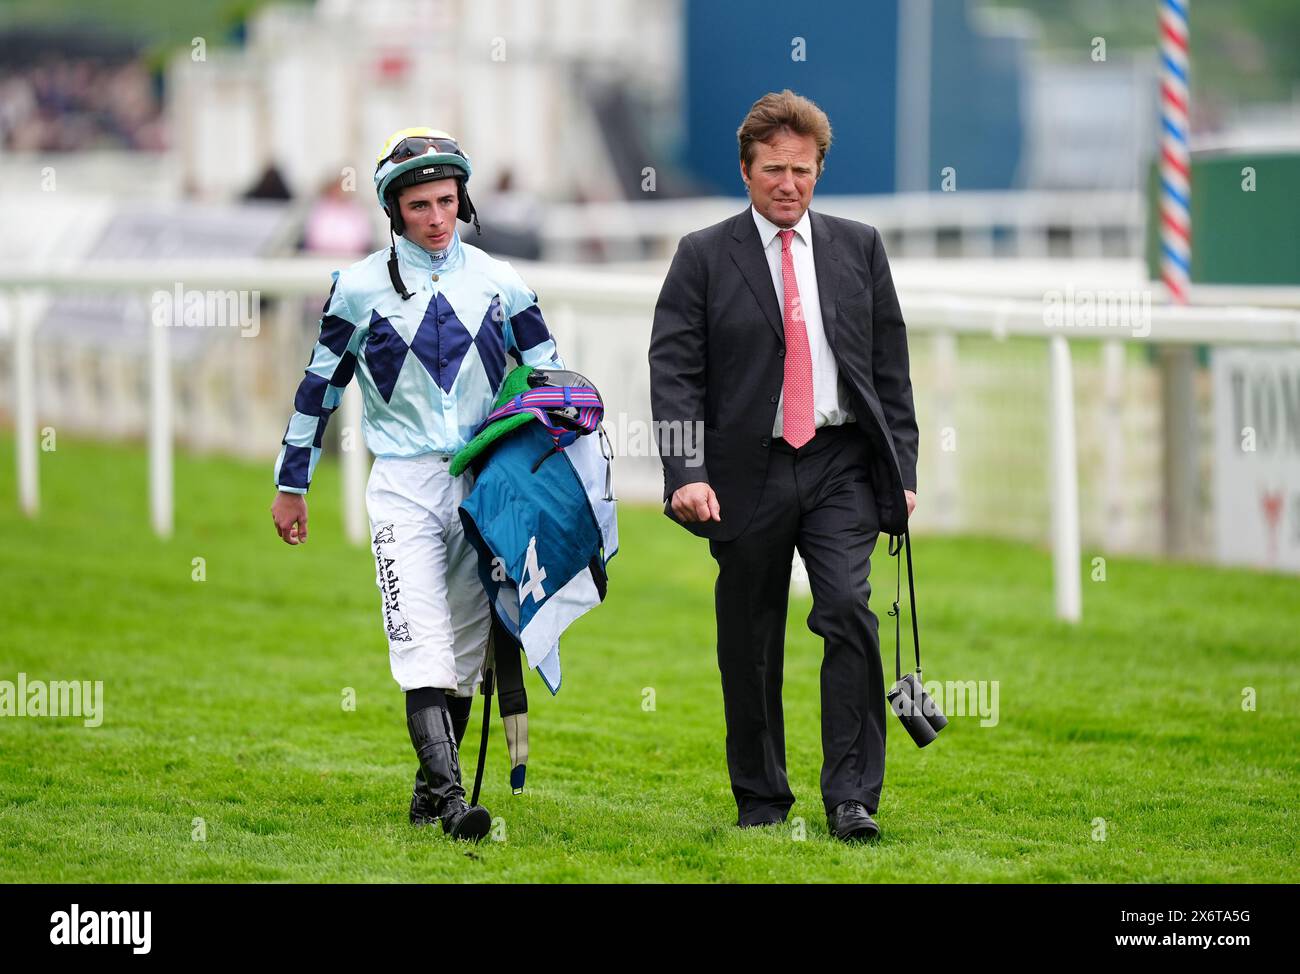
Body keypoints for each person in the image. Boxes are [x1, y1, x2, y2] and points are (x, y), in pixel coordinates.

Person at [270, 128, 565, 841]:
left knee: (464, 657)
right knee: (421, 644)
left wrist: (550, 468)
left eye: (445, 201)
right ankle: (455, 802)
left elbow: (551, 378)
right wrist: (293, 482)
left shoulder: (502, 281)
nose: (436, 217)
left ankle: (428, 796)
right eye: (419, 205)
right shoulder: (358, 287)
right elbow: (319, 387)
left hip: (480, 486)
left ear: (461, 200)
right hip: (401, 486)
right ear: (394, 211)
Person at [648, 90, 918, 843]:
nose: (789, 184)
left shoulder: (859, 246)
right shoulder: (702, 255)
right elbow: (673, 374)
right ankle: (762, 799)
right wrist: (683, 474)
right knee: (749, 638)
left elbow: (889, 369)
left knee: (848, 615)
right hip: (744, 473)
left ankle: (852, 798)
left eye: (802, 170)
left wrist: (905, 469)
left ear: (819, 171)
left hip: (840, 465)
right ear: (746, 171)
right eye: (774, 169)